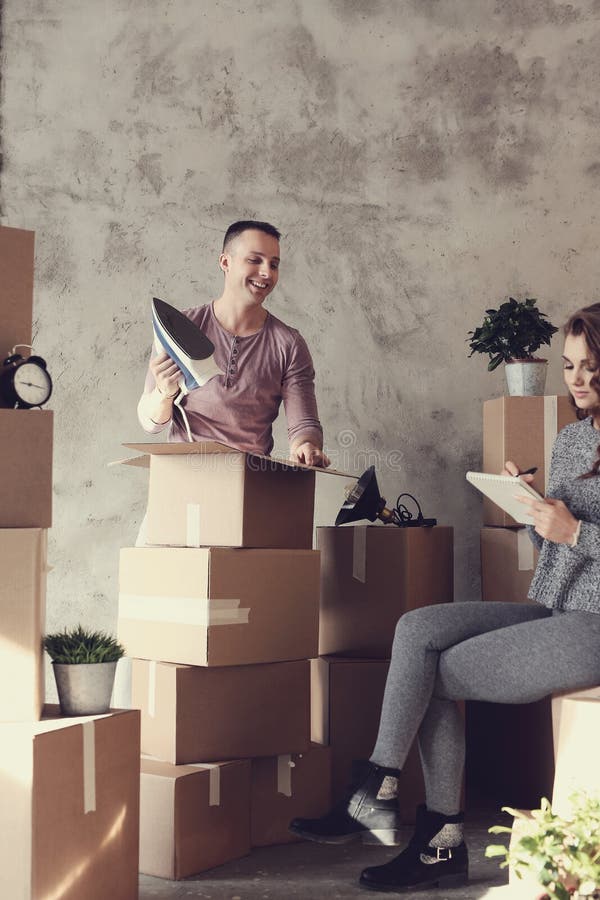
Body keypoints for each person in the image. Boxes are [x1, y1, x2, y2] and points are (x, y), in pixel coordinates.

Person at [290, 302, 600, 893]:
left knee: (434, 672)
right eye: (569, 366)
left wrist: (576, 532)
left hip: (594, 622)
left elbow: (580, 538)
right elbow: (558, 541)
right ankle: (381, 787)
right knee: (417, 630)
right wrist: (531, 509)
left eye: (591, 367)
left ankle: (432, 836)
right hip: (552, 604)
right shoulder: (568, 440)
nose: (577, 380)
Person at [137, 220, 329, 467]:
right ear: (225, 262)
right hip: (181, 480)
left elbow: (304, 425)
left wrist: (306, 446)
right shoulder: (179, 326)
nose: (267, 273)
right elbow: (148, 423)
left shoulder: (289, 345)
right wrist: (164, 393)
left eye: (274, 264)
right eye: (255, 260)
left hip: (247, 486)